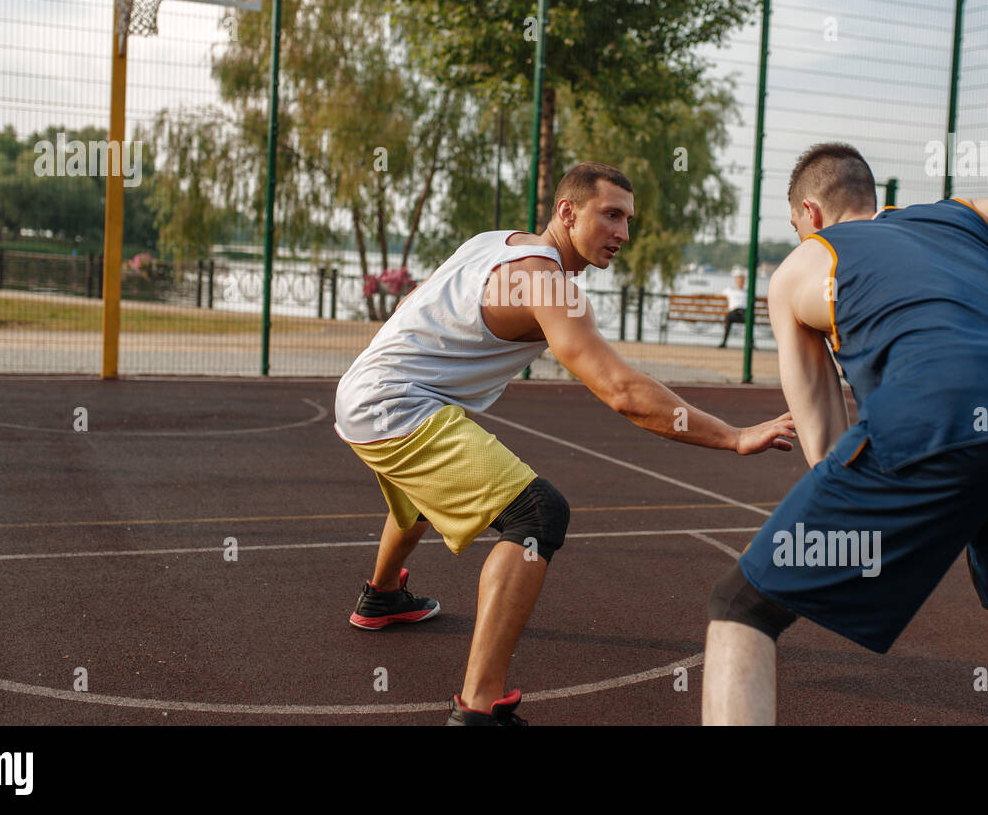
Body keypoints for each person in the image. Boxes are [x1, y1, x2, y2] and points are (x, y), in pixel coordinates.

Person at [702, 142, 988, 726]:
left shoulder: (798, 270)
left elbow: (826, 447)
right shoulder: (955, 217)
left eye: (795, 227)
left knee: (742, 605)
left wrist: (882, 531)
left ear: (809, 215)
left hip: (941, 405)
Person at [335, 161, 796, 726]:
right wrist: (735, 436)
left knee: (429, 487)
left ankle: (381, 596)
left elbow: (415, 304)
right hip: (393, 405)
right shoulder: (551, 286)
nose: (623, 233)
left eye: (628, 220)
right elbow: (624, 393)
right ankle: (479, 710)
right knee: (537, 512)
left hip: (370, 388)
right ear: (567, 211)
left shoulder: (496, 242)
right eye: (610, 215)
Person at [718, 270, 749, 348]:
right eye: (739, 280)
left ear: (744, 282)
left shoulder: (747, 291)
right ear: (736, 281)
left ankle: (749, 343)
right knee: (728, 318)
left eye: (742, 280)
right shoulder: (730, 290)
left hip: (743, 312)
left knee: (750, 319)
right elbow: (718, 295)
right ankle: (724, 342)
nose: (740, 282)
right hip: (733, 312)